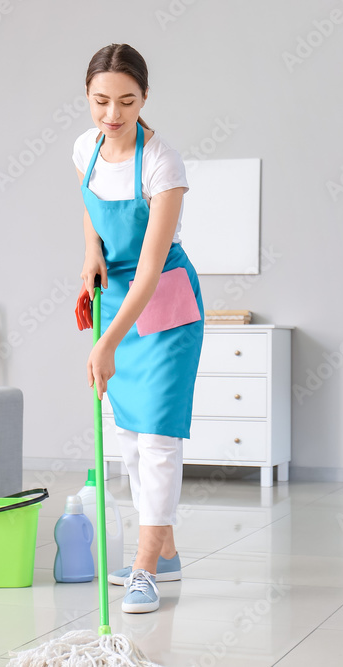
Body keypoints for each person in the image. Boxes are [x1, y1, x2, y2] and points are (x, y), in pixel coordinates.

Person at [72, 43, 204, 614]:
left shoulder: (162, 163)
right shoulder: (86, 148)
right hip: (116, 293)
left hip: (164, 299)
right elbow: (88, 205)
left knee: (156, 439)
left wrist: (108, 340)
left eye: (126, 101)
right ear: (87, 97)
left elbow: (151, 266)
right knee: (128, 437)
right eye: (101, 101)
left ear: (144, 98)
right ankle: (165, 551)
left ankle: (145, 569)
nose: (112, 114)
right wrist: (89, 254)